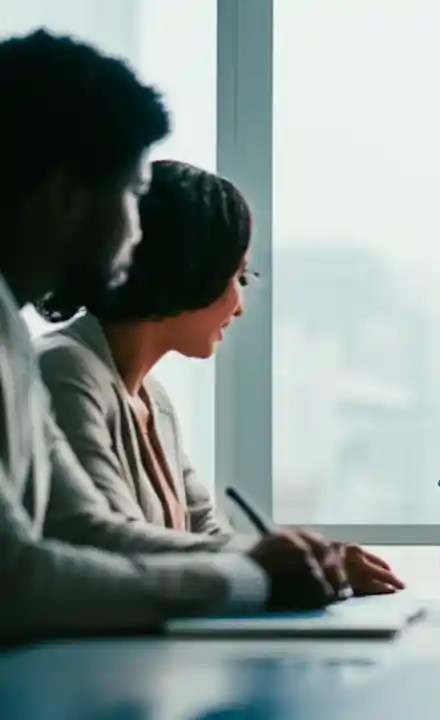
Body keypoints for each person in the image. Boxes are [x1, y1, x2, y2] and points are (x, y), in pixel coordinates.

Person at [0, 29, 340, 641]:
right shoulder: (58, 366)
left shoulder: (12, 342)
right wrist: (252, 579)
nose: (137, 224)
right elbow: (18, 578)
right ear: (66, 196)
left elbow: (84, 528)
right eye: (131, 194)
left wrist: (282, 563)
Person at [35, 159, 404, 596]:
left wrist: (312, 561)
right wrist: (269, 563)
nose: (240, 305)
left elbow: (206, 534)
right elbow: (105, 539)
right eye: (239, 277)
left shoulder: (155, 398)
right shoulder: (64, 371)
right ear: (191, 267)